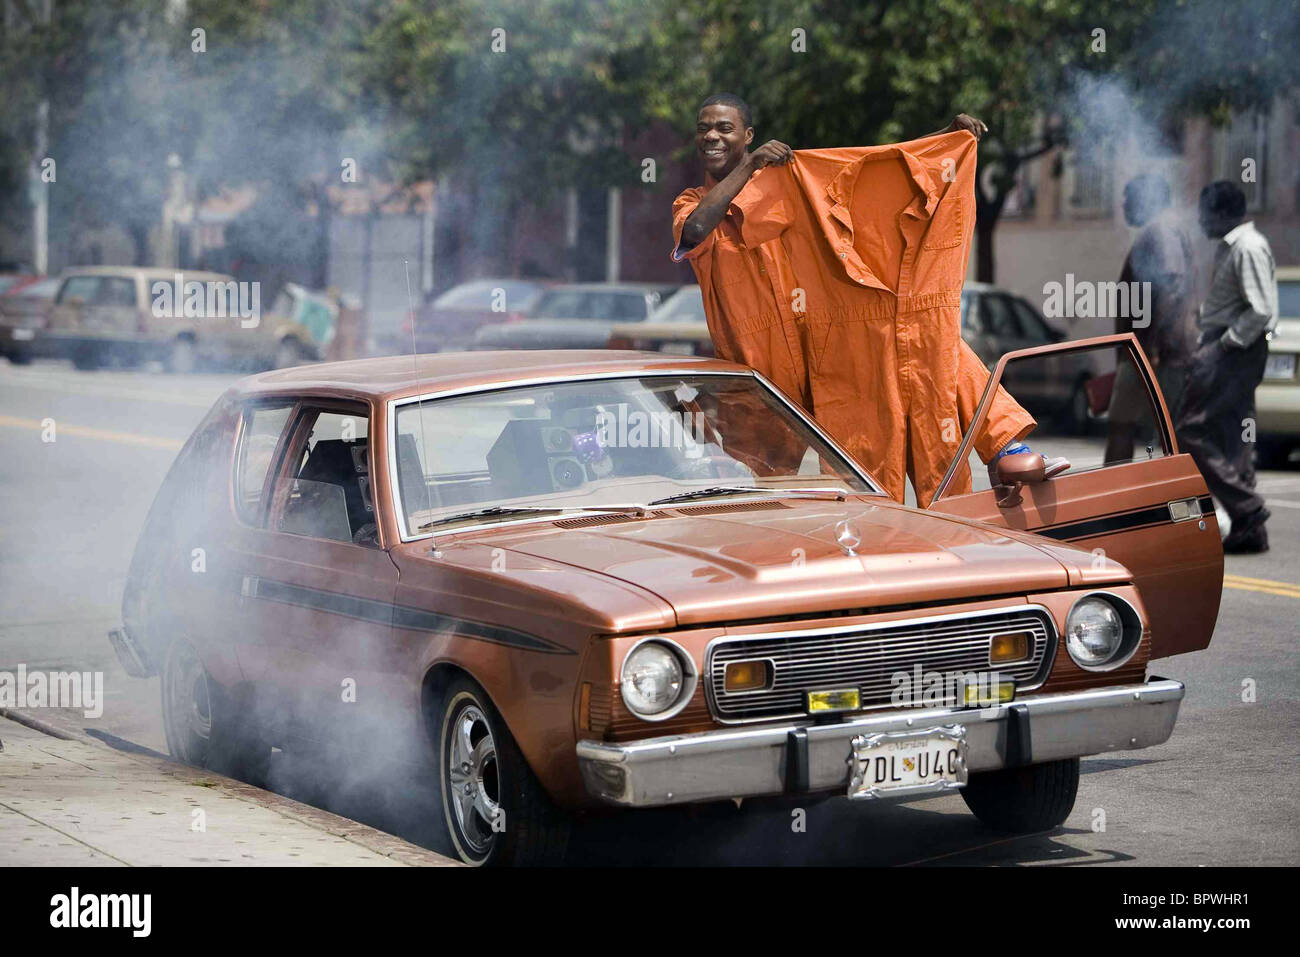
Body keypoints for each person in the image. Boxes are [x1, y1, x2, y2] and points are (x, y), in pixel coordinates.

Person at [672, 93, 1062, 506]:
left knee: (930, 345)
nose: (711, 136)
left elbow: (871, 170)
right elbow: (696, 229)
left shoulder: (790, 183)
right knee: (761, 482)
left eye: (724, 128)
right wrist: (751, 167)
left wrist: (944, 140)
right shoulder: (692, 202)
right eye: (703, 129)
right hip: (762, 365)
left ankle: (1003, 450)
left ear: (748, 135)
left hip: (821, 344)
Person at [1179, 180, 1278, 553]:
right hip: (1234, 348)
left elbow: (1261, 310)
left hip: (1235, 351)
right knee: (1233, 432)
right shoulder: (1235, 247)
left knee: (1189, 429)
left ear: (1221, 213)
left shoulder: (1247, 247)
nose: (1200, 221)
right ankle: (1250, 529)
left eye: (1204, 212)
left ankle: (1247, 508)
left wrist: (1221, 345)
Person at [1103, 173, 1198, 464]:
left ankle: (1114, 499)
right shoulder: (1164, 230)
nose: (1124, 205)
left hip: (1153, 354)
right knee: (1169, 433)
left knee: (1124, 425)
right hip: (1152, 352)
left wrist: (1154, 348)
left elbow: (1171, 284)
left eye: (1129, 198)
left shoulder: (1160, 232)